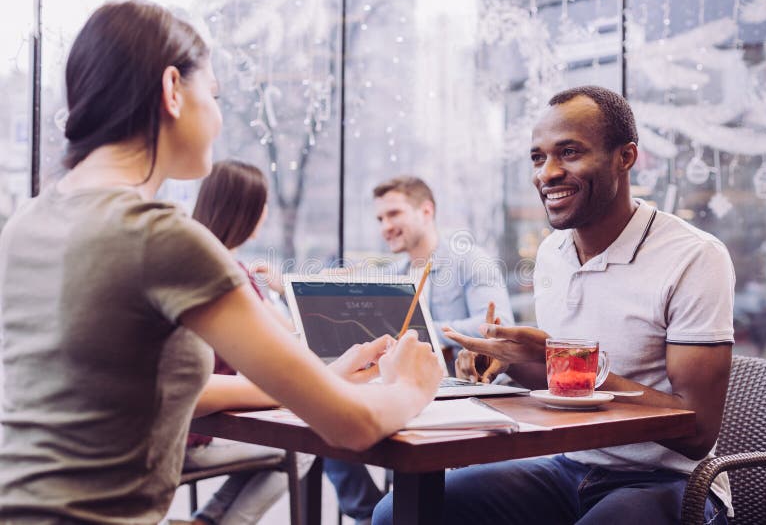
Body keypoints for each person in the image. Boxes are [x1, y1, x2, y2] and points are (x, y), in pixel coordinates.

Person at [0, 0, 441, 524]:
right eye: (212, 95)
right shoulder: (162, 237)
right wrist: (415, 385)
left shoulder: (27, 223)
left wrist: (332, 376)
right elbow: (353, 428)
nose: (218, 115)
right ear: (171, 90)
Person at [373, 85, 735, 524]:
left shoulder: (694, 256)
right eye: (538, 157)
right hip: (567, 466)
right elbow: (562, 385)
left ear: (626, 157)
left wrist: (572, 363)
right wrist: (507, 362)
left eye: (569, 152)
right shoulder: (553, 253)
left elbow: (696, 432)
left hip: (669, 480)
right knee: (398, 512)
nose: (548, 173)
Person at [325, 176, 515, 524]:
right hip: (404, 387)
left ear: (426, 211)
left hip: (462, 389)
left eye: (394, 213)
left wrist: (427, 335)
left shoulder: (470, 261)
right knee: (326, 416)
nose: (386, 226)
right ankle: (371, 516)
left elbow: (497, 326)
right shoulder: (396, 274)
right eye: (380, 219)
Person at [181, 159, 312, 525]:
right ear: (245, 210)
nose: (266, 213)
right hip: (193, 439)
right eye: (262, 203)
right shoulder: (230, 274)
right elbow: (293, 344)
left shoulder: (185, 259)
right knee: (304, 447)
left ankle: (205, 520)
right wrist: (283, 291)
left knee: (276, 449)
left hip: (166, 431)